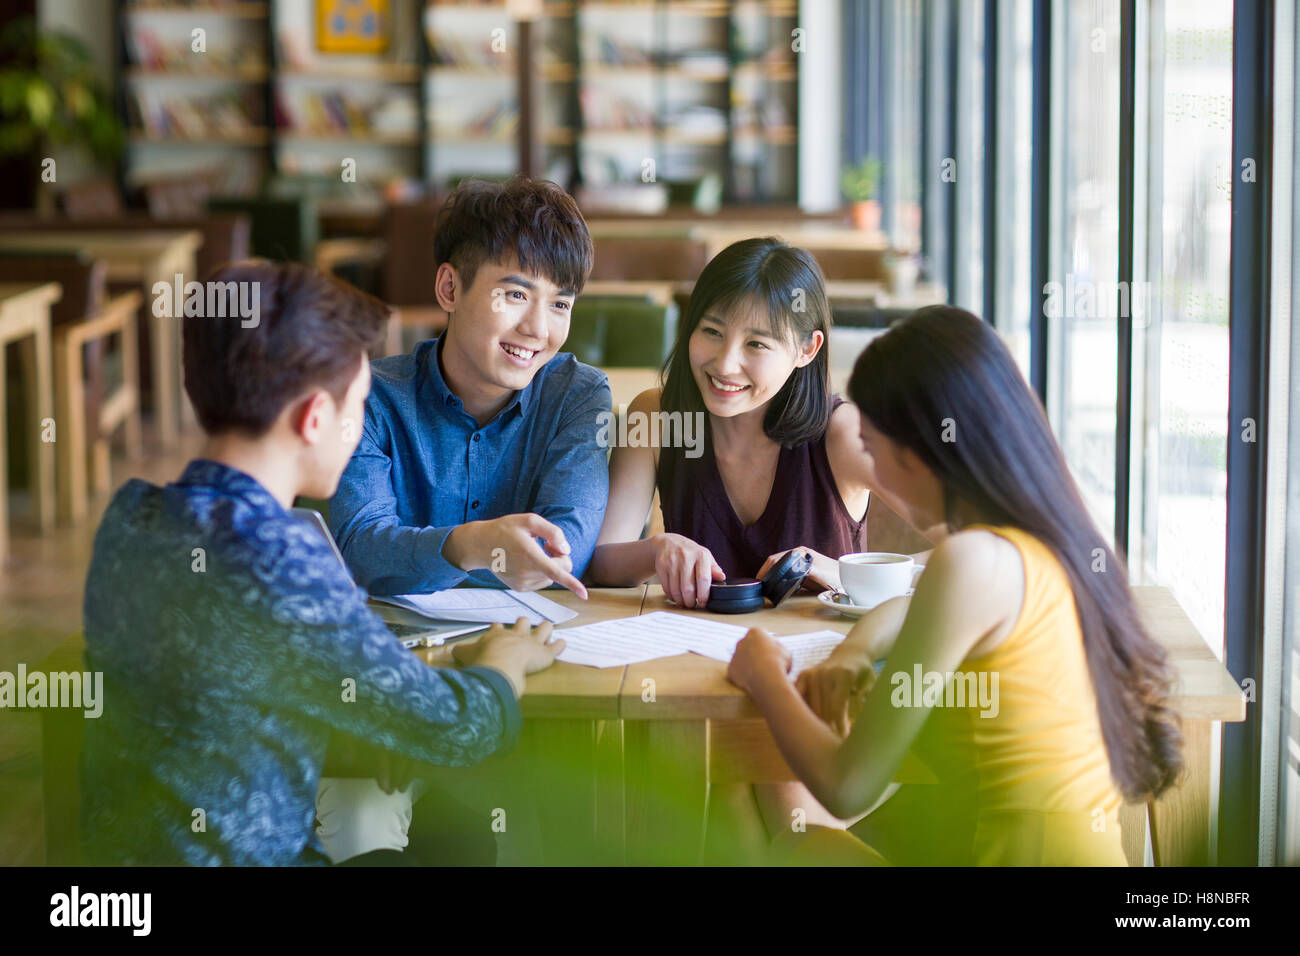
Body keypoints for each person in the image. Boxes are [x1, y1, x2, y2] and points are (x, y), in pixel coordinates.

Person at [81, 261, 564, 865]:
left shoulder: (129, 519)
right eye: (358, 402)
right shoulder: (279, 558)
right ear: (314, 418)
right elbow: (456, 730)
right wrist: (503, 664)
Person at [726, 305, 1184, 865]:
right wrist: (857, 649)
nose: (870, 468)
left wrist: (762, 673)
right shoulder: (1047, 540)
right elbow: (910, 608)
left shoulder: (969, 561)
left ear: (922, 447)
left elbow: (849, 786)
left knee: (783, 836)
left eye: (871, 448)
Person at [587, 236, 929, 855]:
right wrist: (657, 550)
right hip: (701, 693)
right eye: (711, 332)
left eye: (757, 345)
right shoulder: (657, 415)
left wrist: (840, 569)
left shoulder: (840, 433)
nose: (725, 363)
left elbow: (966, 545)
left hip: (826, 705)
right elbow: (603, 559)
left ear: (807, 349)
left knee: (754, 788)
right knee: (720, 788)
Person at [328, 176, 610, 600]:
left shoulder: (578, 396)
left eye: (559, 305)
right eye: (515, 294)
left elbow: (566, 554)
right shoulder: (370, 397)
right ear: (450, 288)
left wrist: (420, 557)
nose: (537, 329)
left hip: (534, 644)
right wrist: (472, 546)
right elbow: (362, 553)